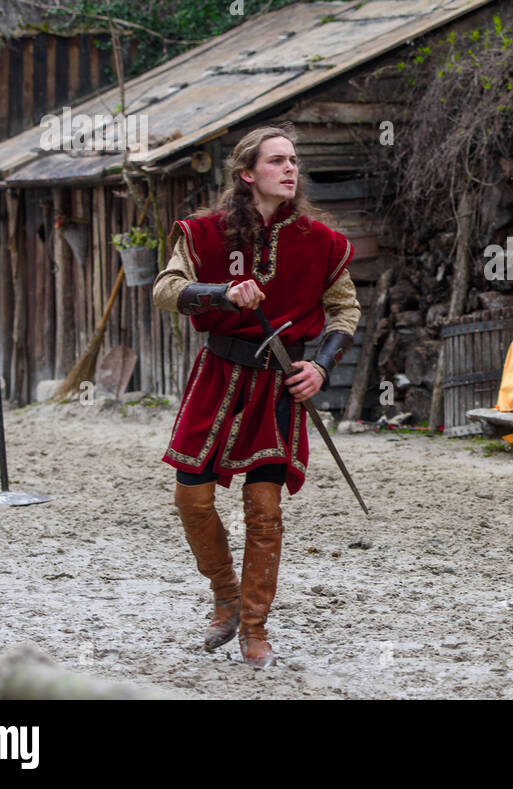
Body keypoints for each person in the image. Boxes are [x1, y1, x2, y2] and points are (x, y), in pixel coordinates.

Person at [153, 124, 361, 667]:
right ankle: (223, 593)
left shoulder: (322, 242)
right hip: (219, 375)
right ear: (248, 174)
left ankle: (253, 626)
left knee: (263, 509)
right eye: (277, 161)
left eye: (294, 160)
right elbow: (165, 290)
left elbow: (346, 311)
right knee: (191, 497)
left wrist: (321, 364)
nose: (290, 169)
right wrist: (221, 291)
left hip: (279, 385)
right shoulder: (202, 233)